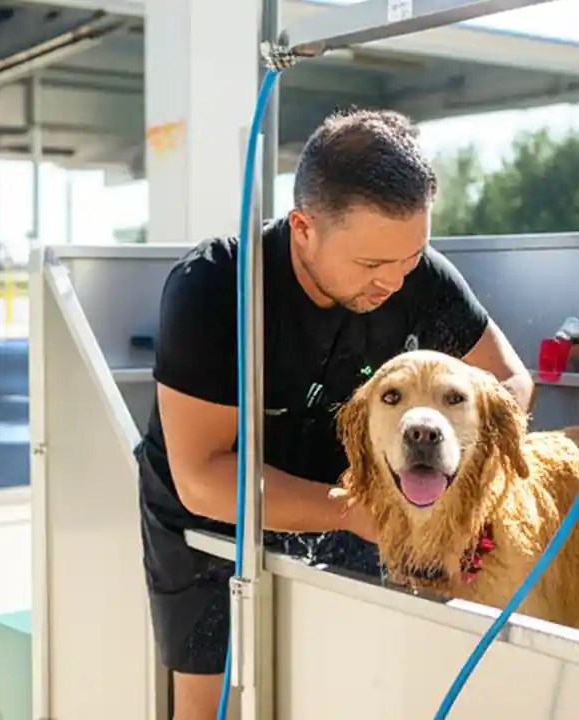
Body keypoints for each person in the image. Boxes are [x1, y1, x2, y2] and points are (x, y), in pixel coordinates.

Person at [134, 108, 534, 719]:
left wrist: (463, 478)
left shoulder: (416, 276)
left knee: (352, 686)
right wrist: (353, 511)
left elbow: (507, 381)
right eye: (372, 266)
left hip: (350, 511)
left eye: (411, 258)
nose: (395, 284)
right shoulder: (215, 289)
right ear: (303, 227)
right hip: (213, 520)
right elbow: (204, 476)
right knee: (212, 704)